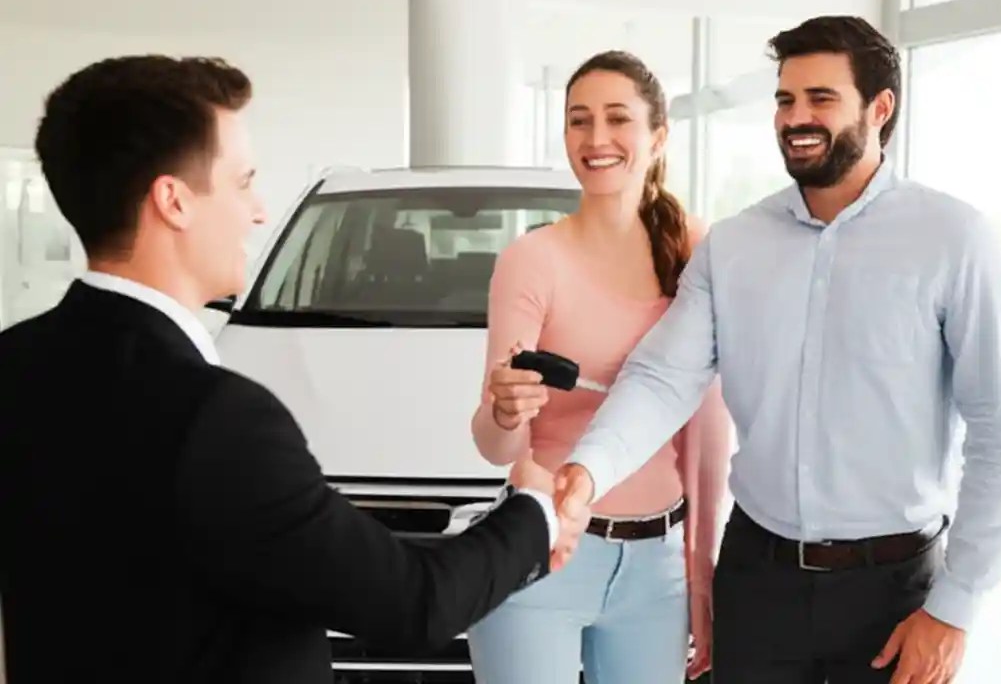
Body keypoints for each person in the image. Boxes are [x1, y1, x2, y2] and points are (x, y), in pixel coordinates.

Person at [0, 55, 587, 684]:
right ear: (173, 201)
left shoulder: (15, 363)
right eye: (243, 181)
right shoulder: (217, 417)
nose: (257, 210)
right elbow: (416, 602)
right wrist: (534, 510)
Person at [555, 16, 1001, 684]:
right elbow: (664, 377)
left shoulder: (954, 239)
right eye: (785, 100)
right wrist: (588, 470)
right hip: (759, 580)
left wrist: (955, 609)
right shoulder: (737, 244)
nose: (795, 117)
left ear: (881, 107)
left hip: (895, 590)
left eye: (821, 99)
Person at [465, 50, 733, 684]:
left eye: (618, 119)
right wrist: (504, 411)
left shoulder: (698, 249)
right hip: (547, 552)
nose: (596, 139)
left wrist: (701, 571)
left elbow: (707, 432)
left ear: (657, 136)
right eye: (579, 120)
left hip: (658, 572)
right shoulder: (533, 260)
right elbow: (496, 444)